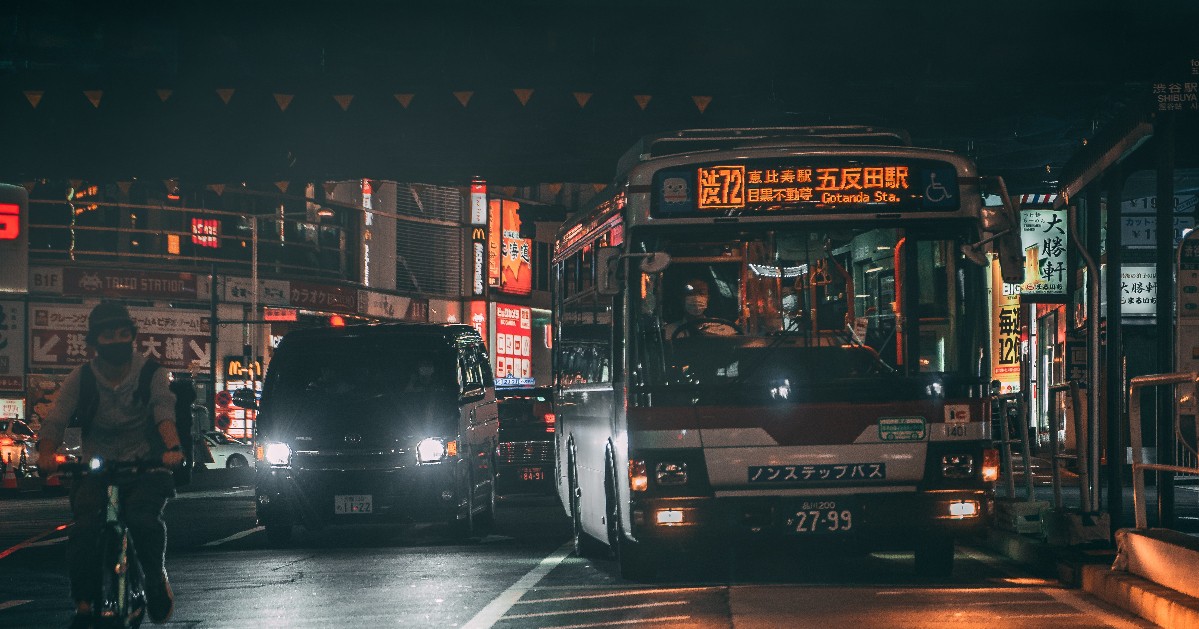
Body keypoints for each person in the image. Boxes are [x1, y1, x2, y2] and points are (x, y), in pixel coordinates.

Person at [36, 302, 183, 628]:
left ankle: (155, 578)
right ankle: (84, 601)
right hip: (96, 469)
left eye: (122, 333)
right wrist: (45, 452)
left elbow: (164, 413)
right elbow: (57, 417)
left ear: (132, 335)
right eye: (107, 335)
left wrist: (172, 448)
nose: (116, 340)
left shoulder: (151, 374)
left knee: (143, 520)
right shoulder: (82, 377)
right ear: (94, 341)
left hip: (145, 466)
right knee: (85, 529)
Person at [665, 277, 738, 338]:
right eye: (690, 293)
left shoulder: (724, 331)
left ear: (708, 298)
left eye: (701, 293)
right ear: (682, 298)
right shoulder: (668, 333)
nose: (696, 298)